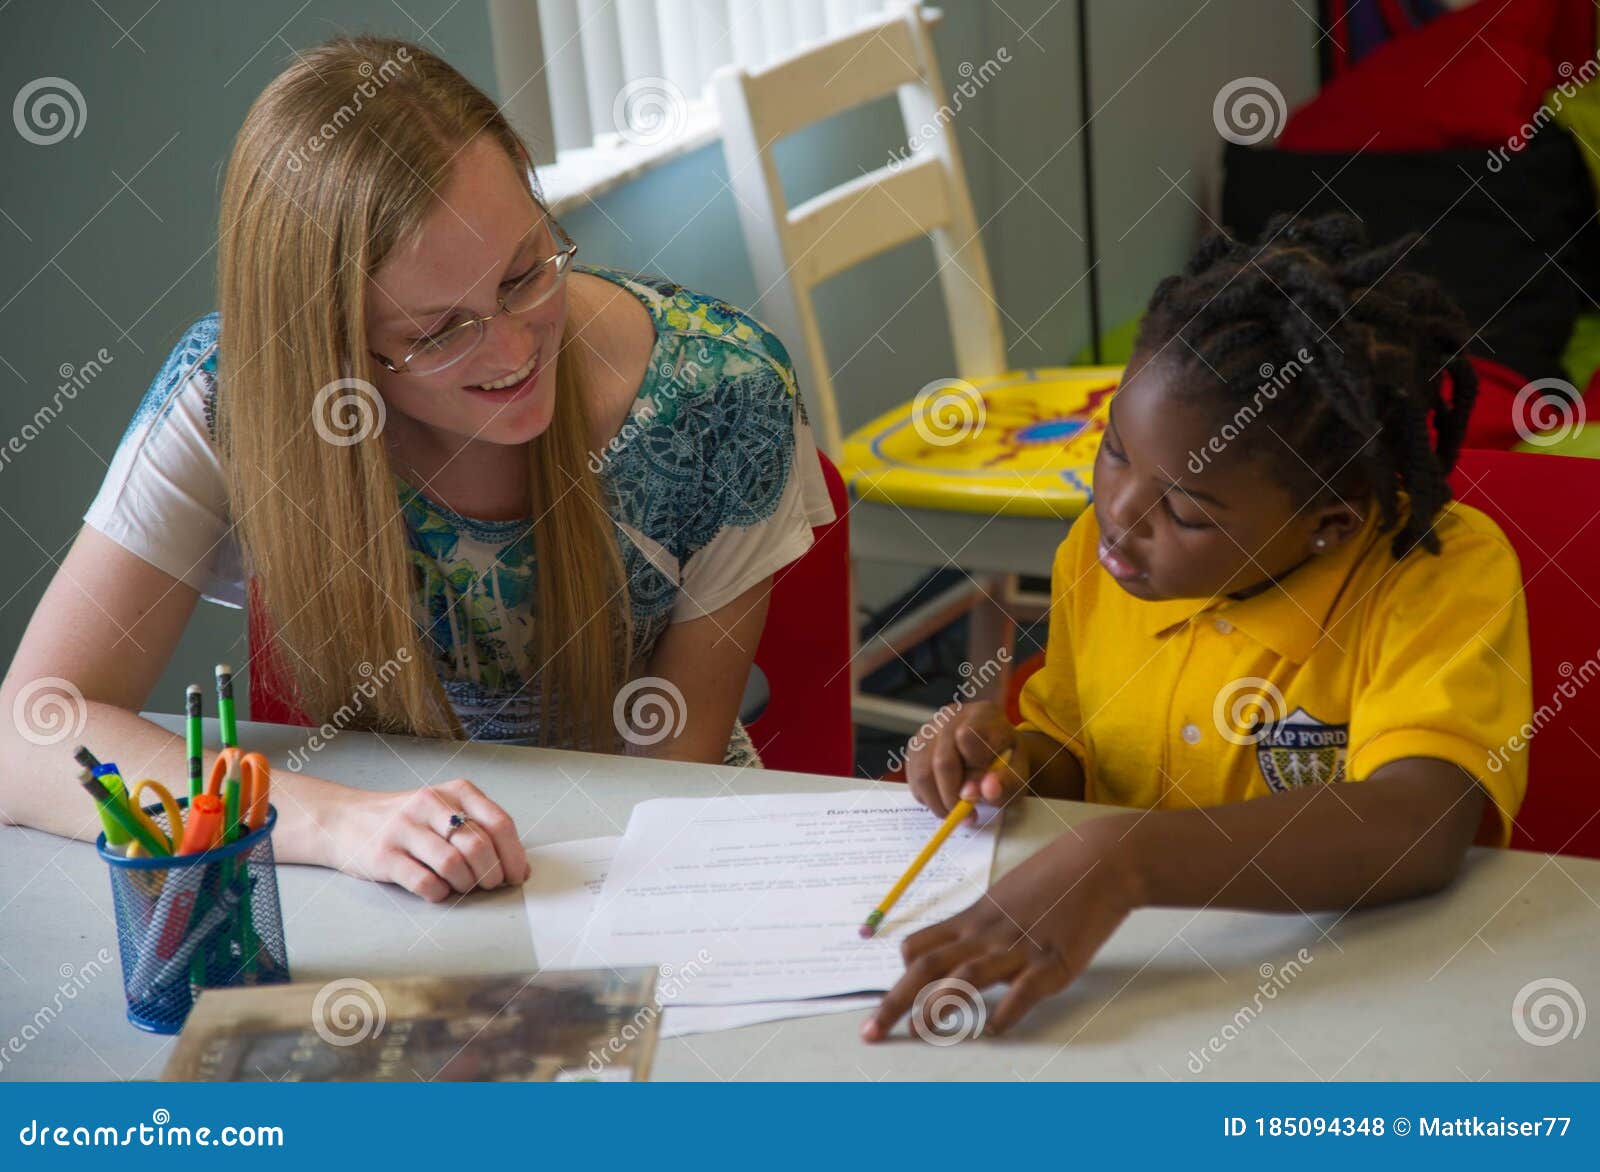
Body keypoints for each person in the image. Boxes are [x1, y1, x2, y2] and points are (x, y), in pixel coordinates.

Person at [0, 36, 832, 903]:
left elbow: (669, 788)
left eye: (522, 275)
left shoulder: (721, 394)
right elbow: (28, 738)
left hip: (628, 867)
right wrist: (338, 823)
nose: (511, 352)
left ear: (525, 173)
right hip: (373, 871)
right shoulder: (235, 397)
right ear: (329, 342)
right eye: (435, 333)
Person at [867, 213, 1531, 1039]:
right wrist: (1010, 759)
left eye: (1183, 512)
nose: (1118, 515)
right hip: (1127, 989)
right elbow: (1076, 754)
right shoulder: (1099, 557)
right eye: (1114, 451)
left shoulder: (1430, 574)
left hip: (1346, 1000)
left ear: (1327, 523)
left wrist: (1125, 861)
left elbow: (1420, 823)